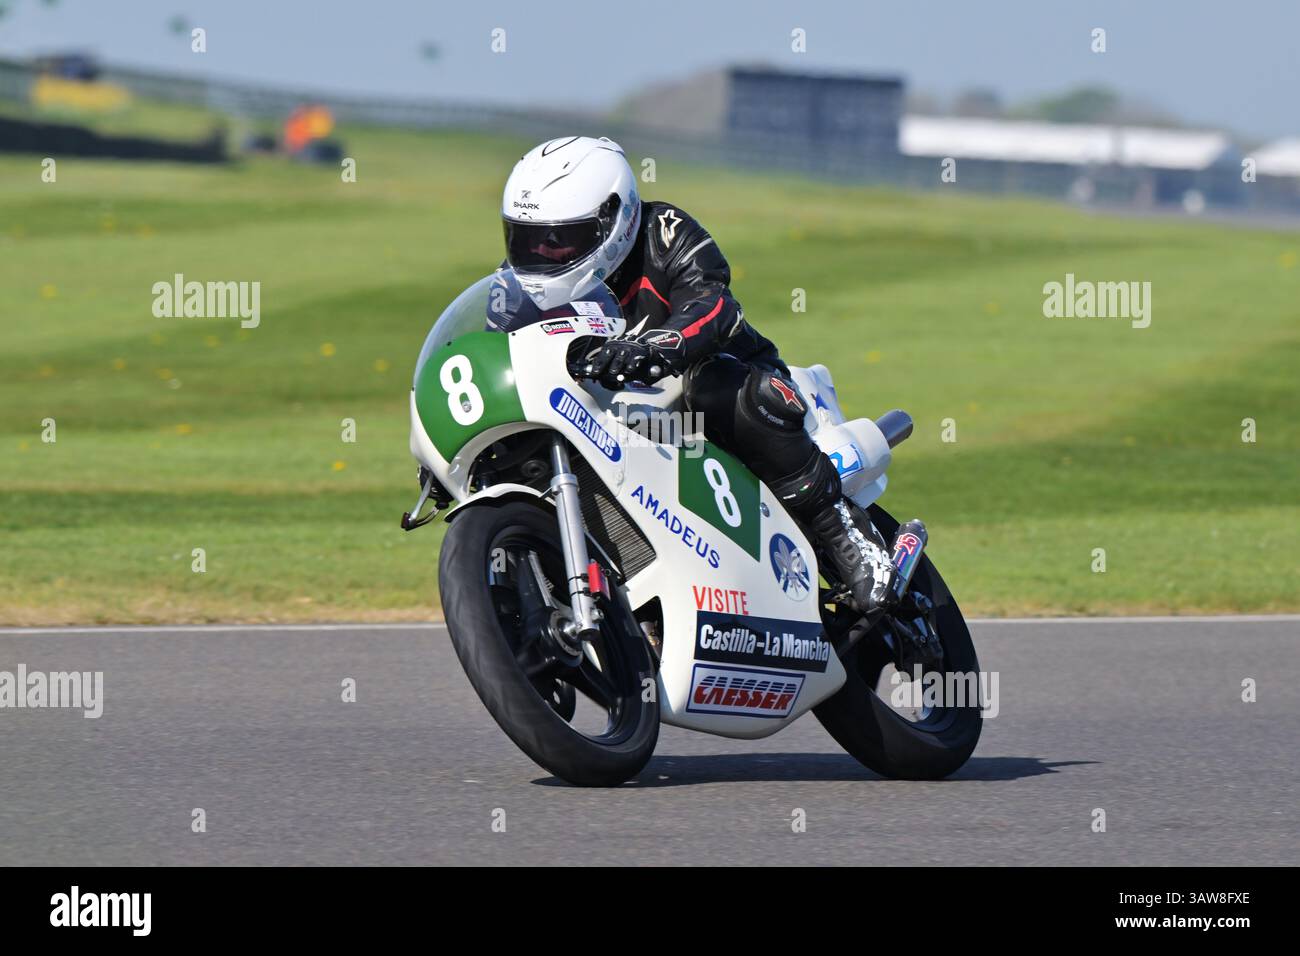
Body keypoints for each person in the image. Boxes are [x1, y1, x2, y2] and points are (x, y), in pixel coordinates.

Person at [500, 135, 902, 615]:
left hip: (718, 394)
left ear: (615, 217)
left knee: (713, 385)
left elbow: (713, 304)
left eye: (560, 238)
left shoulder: (665, 231)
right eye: (527, 239)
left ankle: (843, 530)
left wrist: (657, 347)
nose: (542, 254)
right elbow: (505, 355)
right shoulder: (515, 288)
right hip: (620, 426)